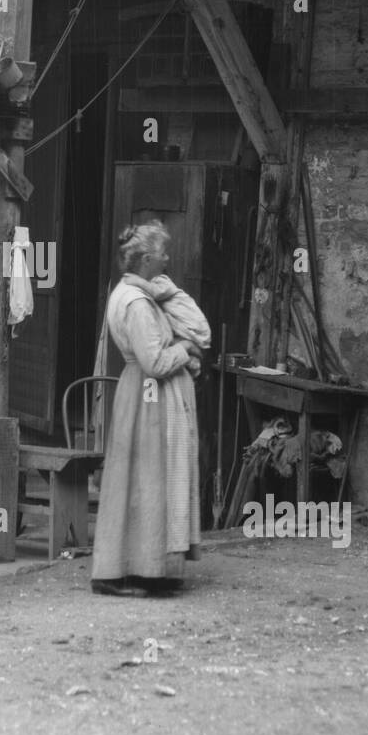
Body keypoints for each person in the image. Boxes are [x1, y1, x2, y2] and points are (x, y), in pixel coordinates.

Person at [92, 221, 212, 598]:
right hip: (147, 396)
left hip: (140, 395)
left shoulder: (135, 293)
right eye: (162, 253)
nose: (168, 258)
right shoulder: (136, 303)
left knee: (143, 483)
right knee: (146, 482)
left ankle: (147, 568)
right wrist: (187, 351)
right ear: (146, 259)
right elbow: (155, 362)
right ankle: (125, 571)